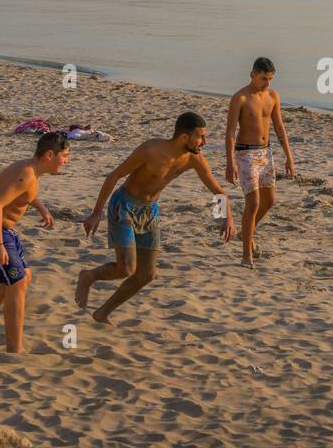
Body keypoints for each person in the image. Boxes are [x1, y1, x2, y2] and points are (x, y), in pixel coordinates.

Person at [76, 112, 235, 324]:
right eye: (201, 137)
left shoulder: (194, 159)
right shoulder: (150, 150)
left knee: (146, 275)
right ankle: (89, 276)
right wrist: (96, 213)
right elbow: (114, 176)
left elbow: (218, 191)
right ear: (184, 137)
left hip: (150, 210)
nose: (204, 142)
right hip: (124, 205)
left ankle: (103, 312)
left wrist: (228, 218)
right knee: (126, 268)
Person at [0, 132, 70, 352]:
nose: (66, 161)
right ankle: (14, 350)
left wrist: (41, 207)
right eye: (64, 156)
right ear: (49, 155)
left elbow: (23, 192)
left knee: (23, 277)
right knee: (15, 282)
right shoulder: (26, 174)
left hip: (0, 229)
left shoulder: (30, 170)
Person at [226, 57, 296, 268]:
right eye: (264, 78)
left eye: (271, 79)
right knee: (253, 204)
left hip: (266, 154)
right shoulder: (240, 98)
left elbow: (279, 127)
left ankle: (247, 235)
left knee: (269, 201)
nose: (267, 83)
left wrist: (289, 157)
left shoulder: (273, 96)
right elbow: (230, 133)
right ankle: (246, 255)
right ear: (252, 75)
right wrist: (230, 163)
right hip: (245, 153)